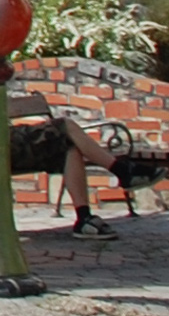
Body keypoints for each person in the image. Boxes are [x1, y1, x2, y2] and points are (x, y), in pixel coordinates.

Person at [11, 90, 119, 237]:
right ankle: (122, 170)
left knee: (70, 145)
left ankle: (84, 217)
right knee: (65, 126)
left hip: (6, 142)